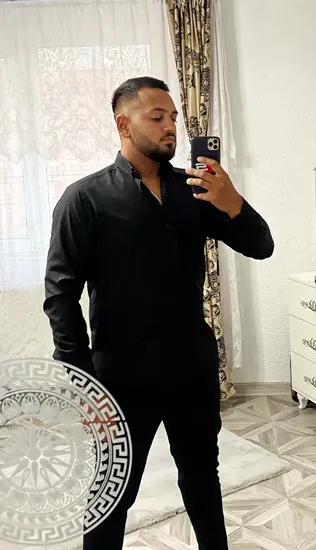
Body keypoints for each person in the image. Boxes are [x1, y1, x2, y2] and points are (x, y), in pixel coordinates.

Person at [43, 76, 274, 550]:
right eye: (157, 117)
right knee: (113, 492)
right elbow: (60, 297)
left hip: (191, 366)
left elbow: (261, 246)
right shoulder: (84, 199)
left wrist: (233, 203)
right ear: (123, 124)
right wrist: (85, 386)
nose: (171, 126)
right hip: (122, 376)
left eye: (173, 117)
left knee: (202, 478)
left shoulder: (196, 191)